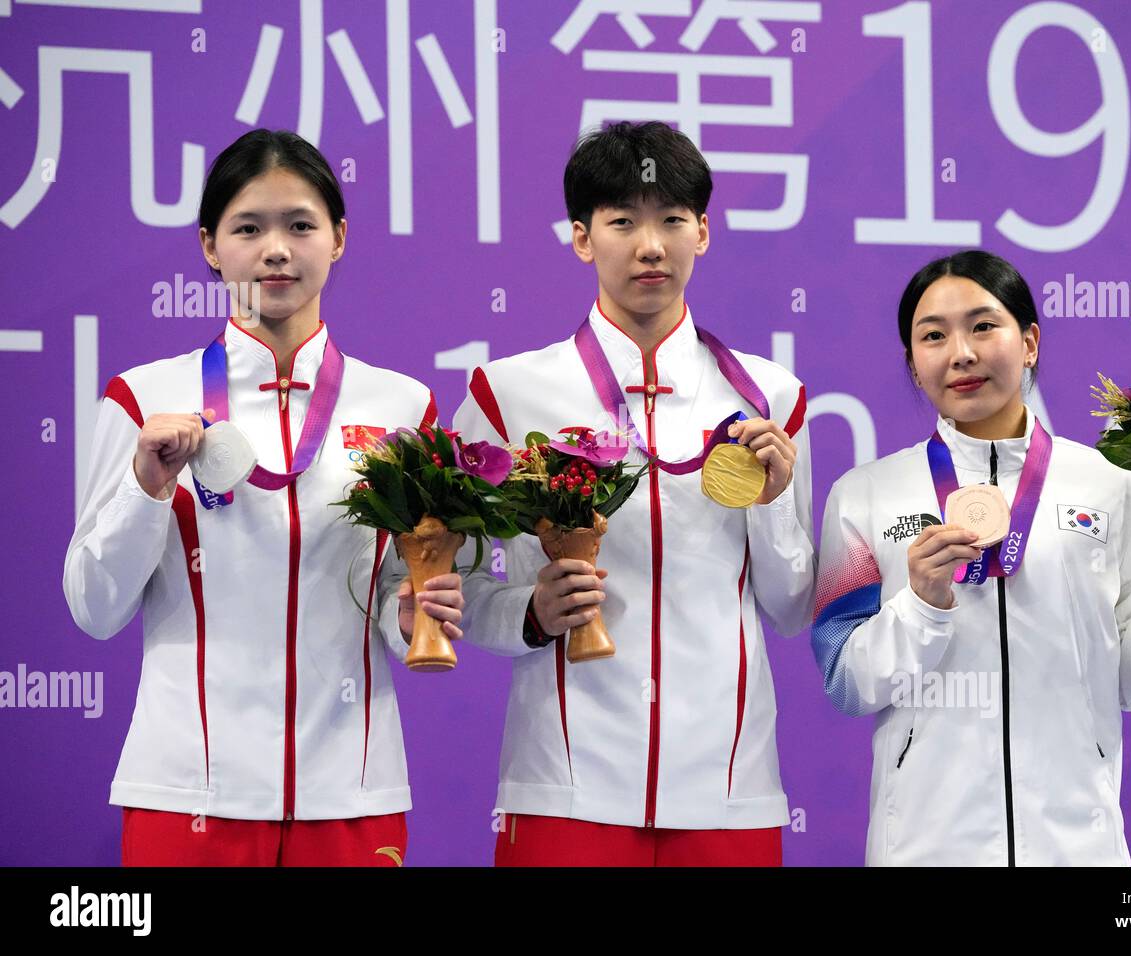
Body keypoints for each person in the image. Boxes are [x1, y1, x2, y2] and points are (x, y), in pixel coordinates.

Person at [63, 129, 463, 866]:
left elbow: (396, 593)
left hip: (352, 795)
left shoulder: (406, 407)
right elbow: (94, 607)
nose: (276, 249)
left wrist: (405, 614)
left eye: (300, 225)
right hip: (189, 794)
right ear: (210, 245)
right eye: (249, 228)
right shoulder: (141, 398)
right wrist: (147, 488)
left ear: (338, 238)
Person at [437, 121, 815, 866]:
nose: (651, 245)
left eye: (673, 220)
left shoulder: (771, 395)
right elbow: (455, 588)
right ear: (581, 238)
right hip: (566, 785)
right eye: (622, 222)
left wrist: (770, 502)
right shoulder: (507, 394)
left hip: (728, 789)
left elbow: (793, 605)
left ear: (703, 232)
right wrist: (531, 615)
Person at [812, 249, 1131, 866]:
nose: (962, 353)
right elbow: (845, 683)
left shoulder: (1108, 484)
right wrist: (920, 608)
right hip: (924, 845)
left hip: (1074, 843)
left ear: (1029, 341)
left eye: (984, 326)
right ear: (913, 361)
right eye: (933, 336)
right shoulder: (865, 495)